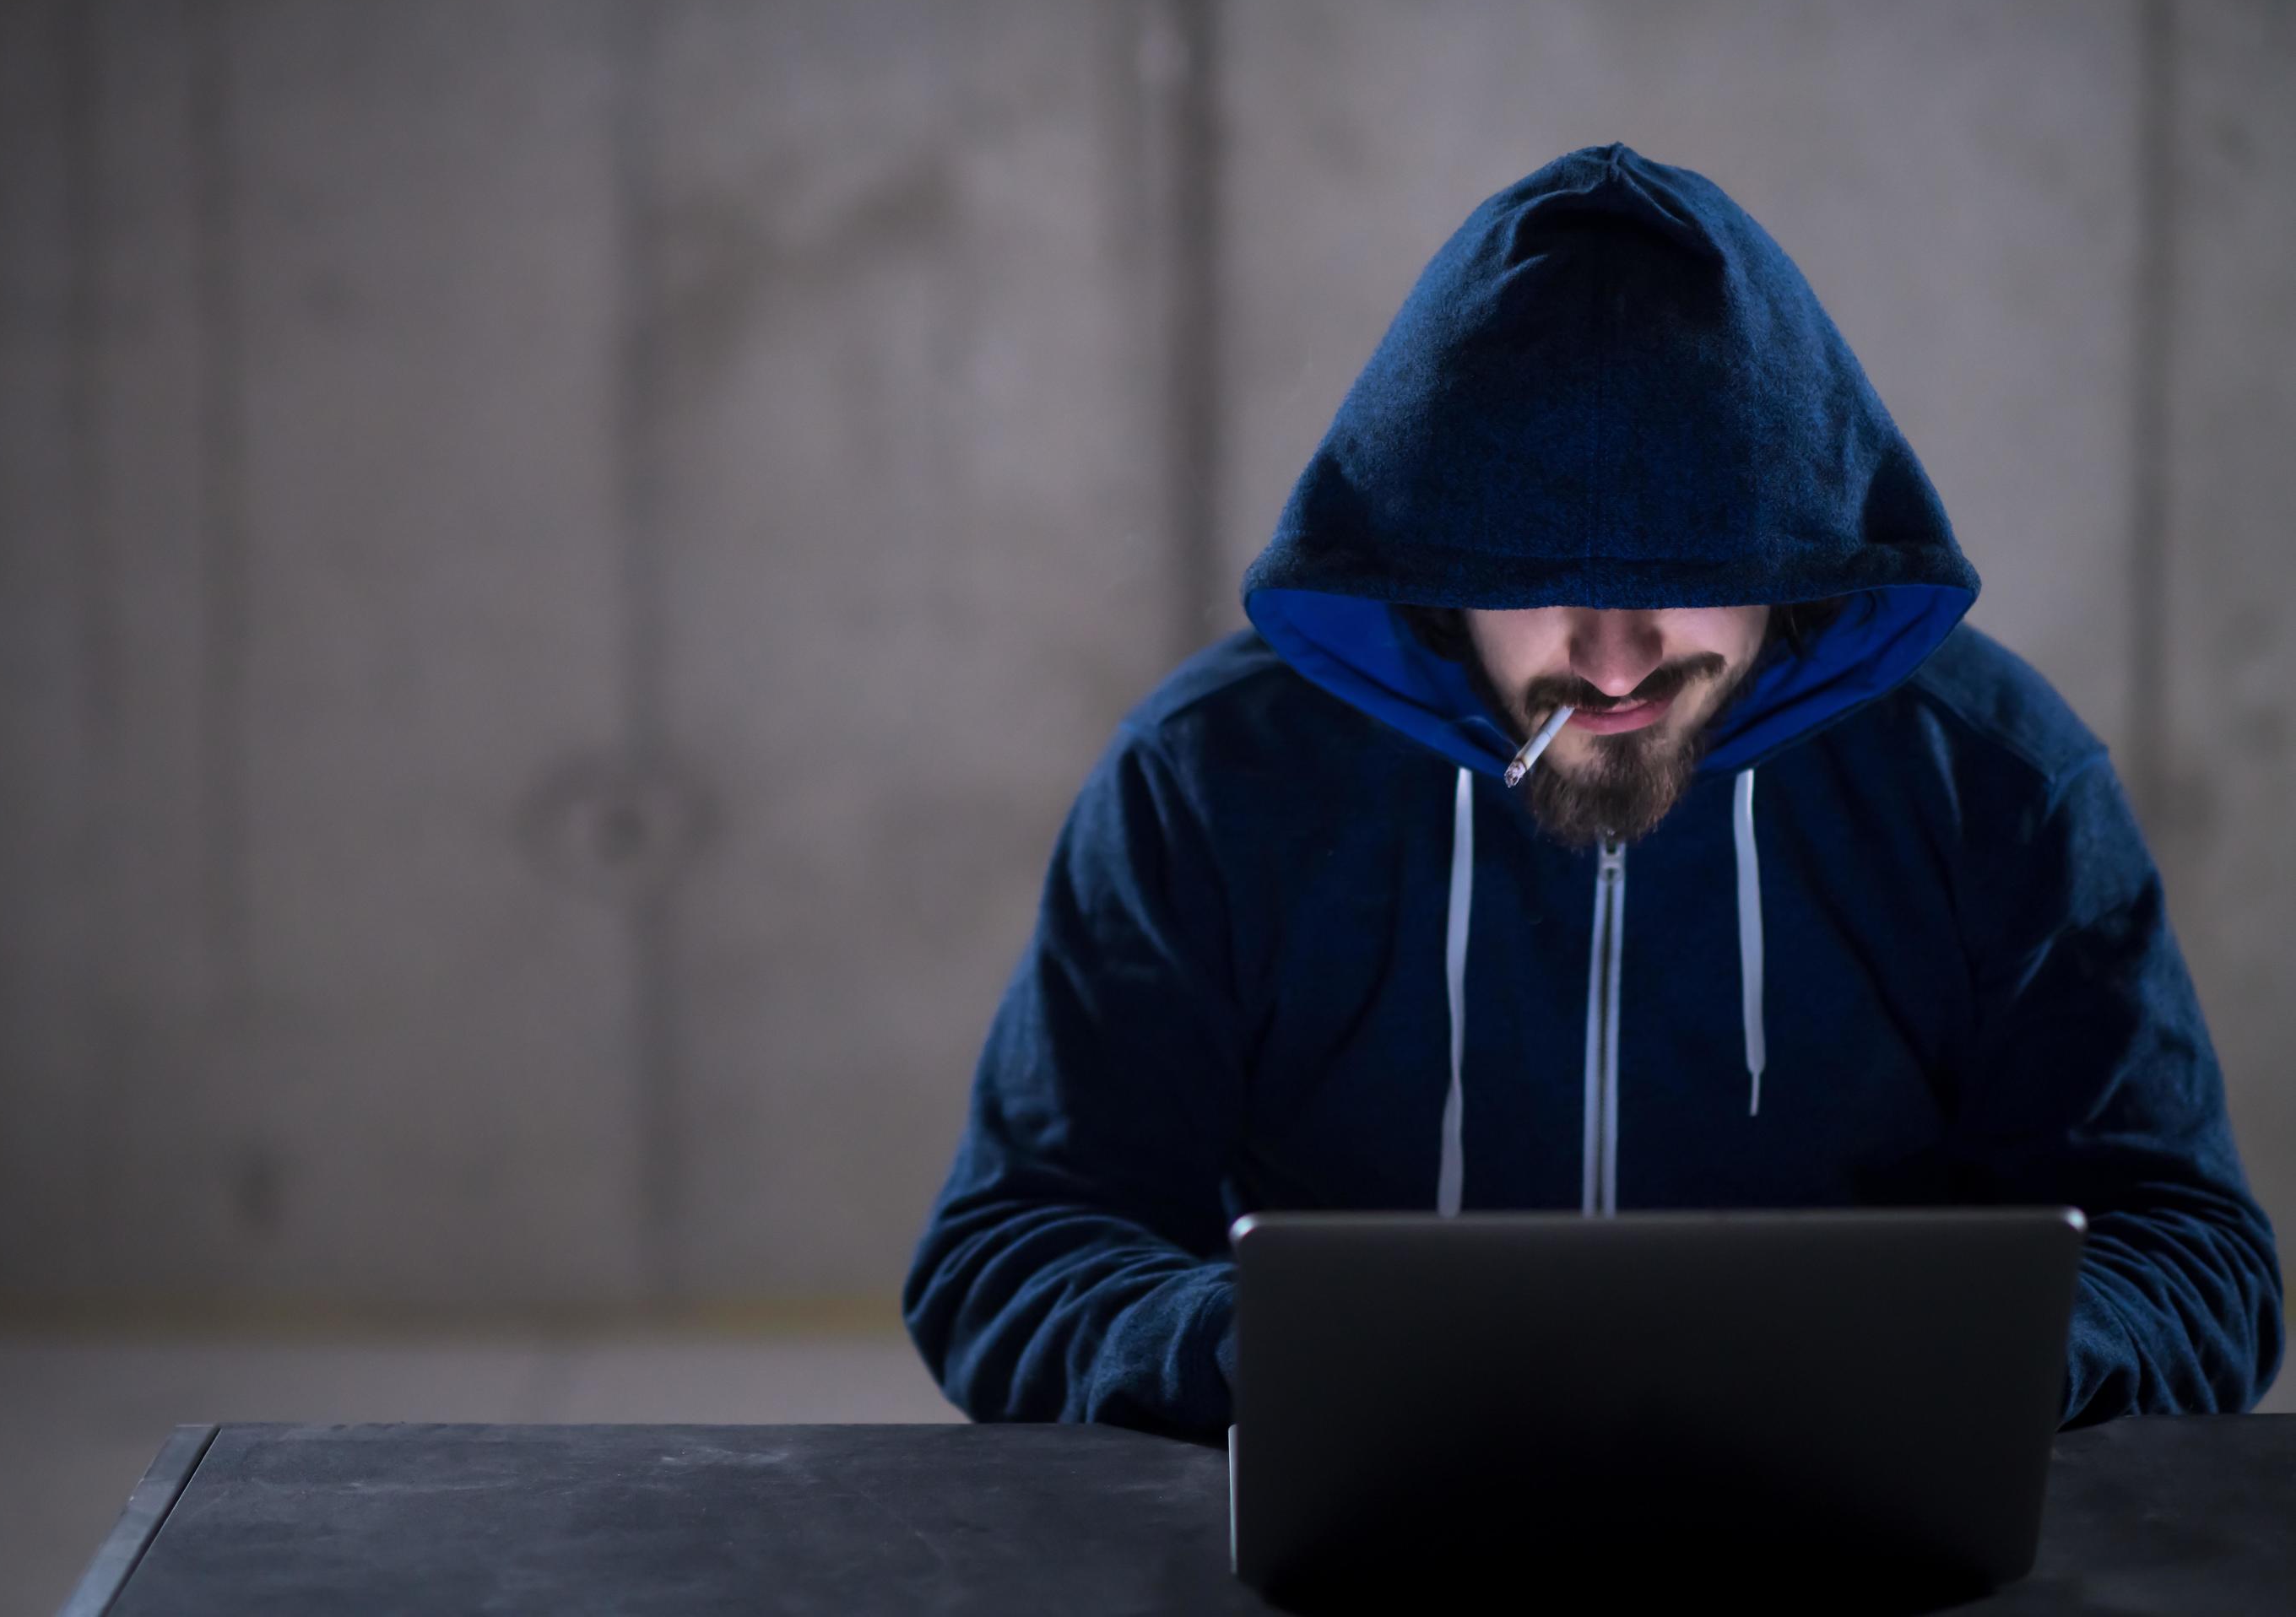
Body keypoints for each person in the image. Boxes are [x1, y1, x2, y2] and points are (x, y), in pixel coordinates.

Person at [902, 143, 2282, 1436]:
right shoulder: (1211, 780)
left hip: (1872, 1530)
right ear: (1429, 567)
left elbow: (2191, 1250)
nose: (1614, 662)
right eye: (1535, 578)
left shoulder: (1995, 782)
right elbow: (1014, 1243)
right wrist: (1262, 1352)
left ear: (1797, 554)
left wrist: (1963, 1363)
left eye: (1688, 571)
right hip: (1352, 1534)